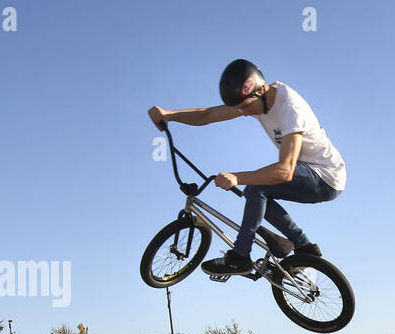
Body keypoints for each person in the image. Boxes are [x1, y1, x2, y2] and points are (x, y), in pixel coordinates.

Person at [147, 59, 345, 277]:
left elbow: (285, 170)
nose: (245, 113)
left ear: (261, 90)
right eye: (240, 108)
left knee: (255, 188)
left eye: (247, 107)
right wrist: (169, 115)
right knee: (256, 193)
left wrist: (236, 177)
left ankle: (240, 256)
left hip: (326, 176)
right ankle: (305, 248)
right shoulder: (256, 100)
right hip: (309, 170)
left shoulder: (290, 109)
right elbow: (208, 115)